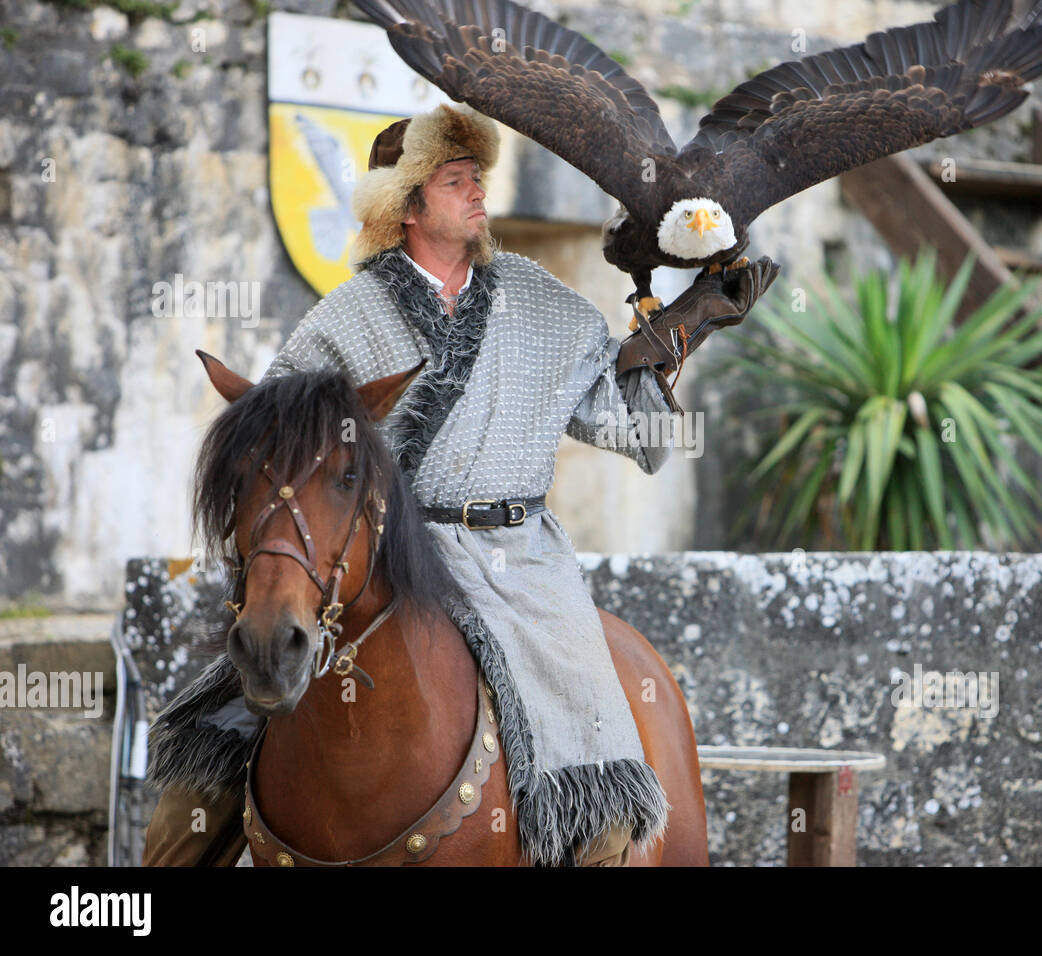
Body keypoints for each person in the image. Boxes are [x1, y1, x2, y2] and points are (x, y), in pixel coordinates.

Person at [143, 104, 775, 866]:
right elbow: (277, 448)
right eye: (455, 180)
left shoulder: (537, 298)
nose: (478, 193)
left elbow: (628, 425)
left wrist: (675, 334)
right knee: (194, 793)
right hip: (387, 555)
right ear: (407, 207)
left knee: (598, 784)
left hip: (524, 564)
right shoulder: (344, 320)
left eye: (478, 177)